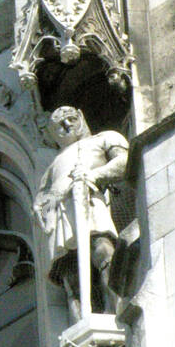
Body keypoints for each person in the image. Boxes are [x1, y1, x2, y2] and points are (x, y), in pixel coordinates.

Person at [34, 106, 128, 316]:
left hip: (90, 201)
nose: (67, 125)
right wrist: (45, 209)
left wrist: (95, 175)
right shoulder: (52, 166)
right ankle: (83, 327)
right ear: (52, 133)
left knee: (103, 251)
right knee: (71, 277)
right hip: (60, 217)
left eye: (71, 119)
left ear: (81, 116)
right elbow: (41, 199)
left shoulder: (104, 138)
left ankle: (116, 310)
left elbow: (124, 162)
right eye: (59, 125)